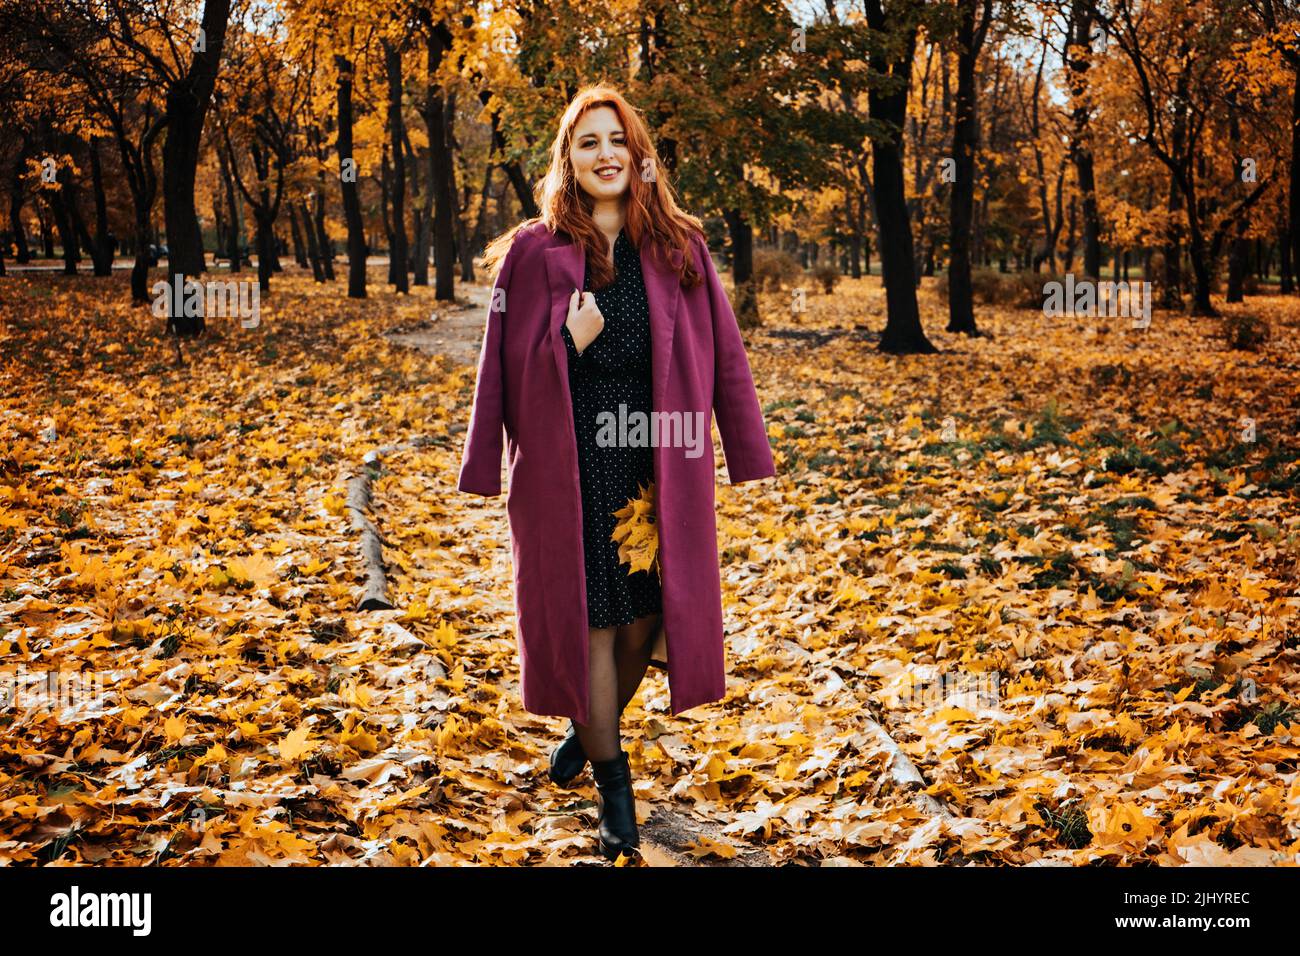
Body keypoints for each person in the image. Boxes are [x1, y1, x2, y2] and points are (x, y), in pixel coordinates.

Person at [458, 84, 776, 861]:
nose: (604, 154)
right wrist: (564, 341)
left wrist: (746, 449)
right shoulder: (534, 254)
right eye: (587, 142)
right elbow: (498, 370)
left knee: (643, 621)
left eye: (616, 140)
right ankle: (614, 787)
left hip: (656, 458)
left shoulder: (678, 248)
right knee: (591, 626)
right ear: (567, 159)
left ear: (639, 155)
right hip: (568, 466)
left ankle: (585, 732)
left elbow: (725, 354)